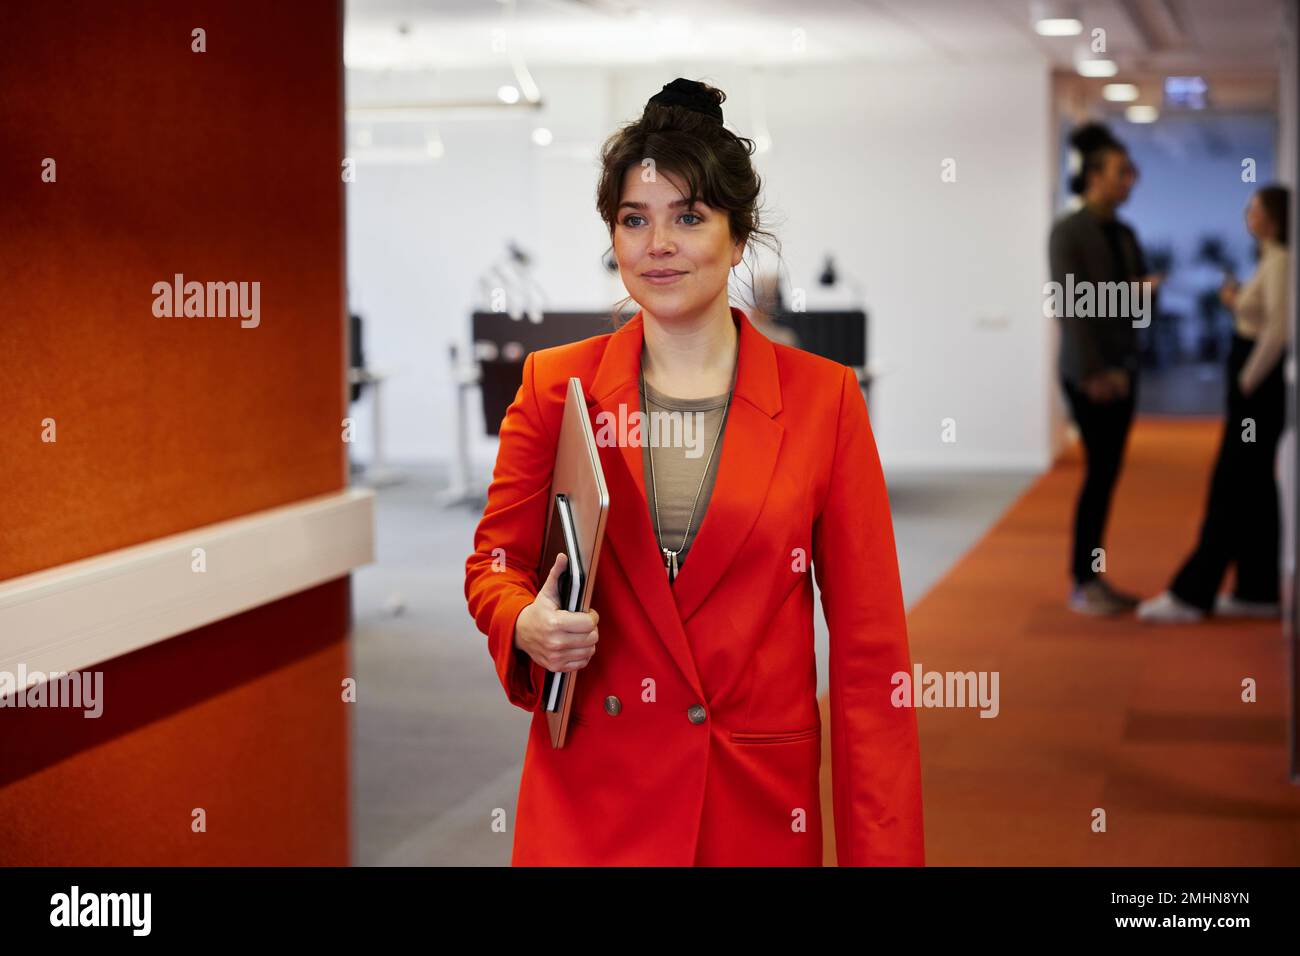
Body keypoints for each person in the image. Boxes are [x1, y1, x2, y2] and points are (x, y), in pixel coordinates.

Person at [463, 78, 923, 866]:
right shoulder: (553, 386)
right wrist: (523, 622)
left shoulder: (824, 402)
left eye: (689, 217)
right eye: (634, 220)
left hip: (750, 802)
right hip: (593, 798)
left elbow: (869, 662)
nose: (658, 244)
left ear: (739, 237)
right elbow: (496, 566)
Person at [1138, 186, 1292, 623]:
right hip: (1258, 383)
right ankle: (1257, 589)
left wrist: (1247, 380)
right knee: (1257, 488)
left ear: (1275, 217)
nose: (1248, 214)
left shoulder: (1280, 259)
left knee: (1232, 485)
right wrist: (1236, 301)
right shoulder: (1271, 259)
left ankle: (1193, 593)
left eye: (1255, 208)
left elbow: (1279, 330)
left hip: (1258, 385)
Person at [1049, 122, 1155, 615]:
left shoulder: (1125, 232)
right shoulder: (1069, 231)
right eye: (1121, 172)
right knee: (1099, 476)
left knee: (1106, 475)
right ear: (1093, 176)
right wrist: (1095, 373)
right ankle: (1083, 580)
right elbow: (1072, 306)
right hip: (1090, 373)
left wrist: (1141, 294)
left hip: (1123, 365)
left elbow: (1125, 297)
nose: (1130, 180)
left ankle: (1090, 577)